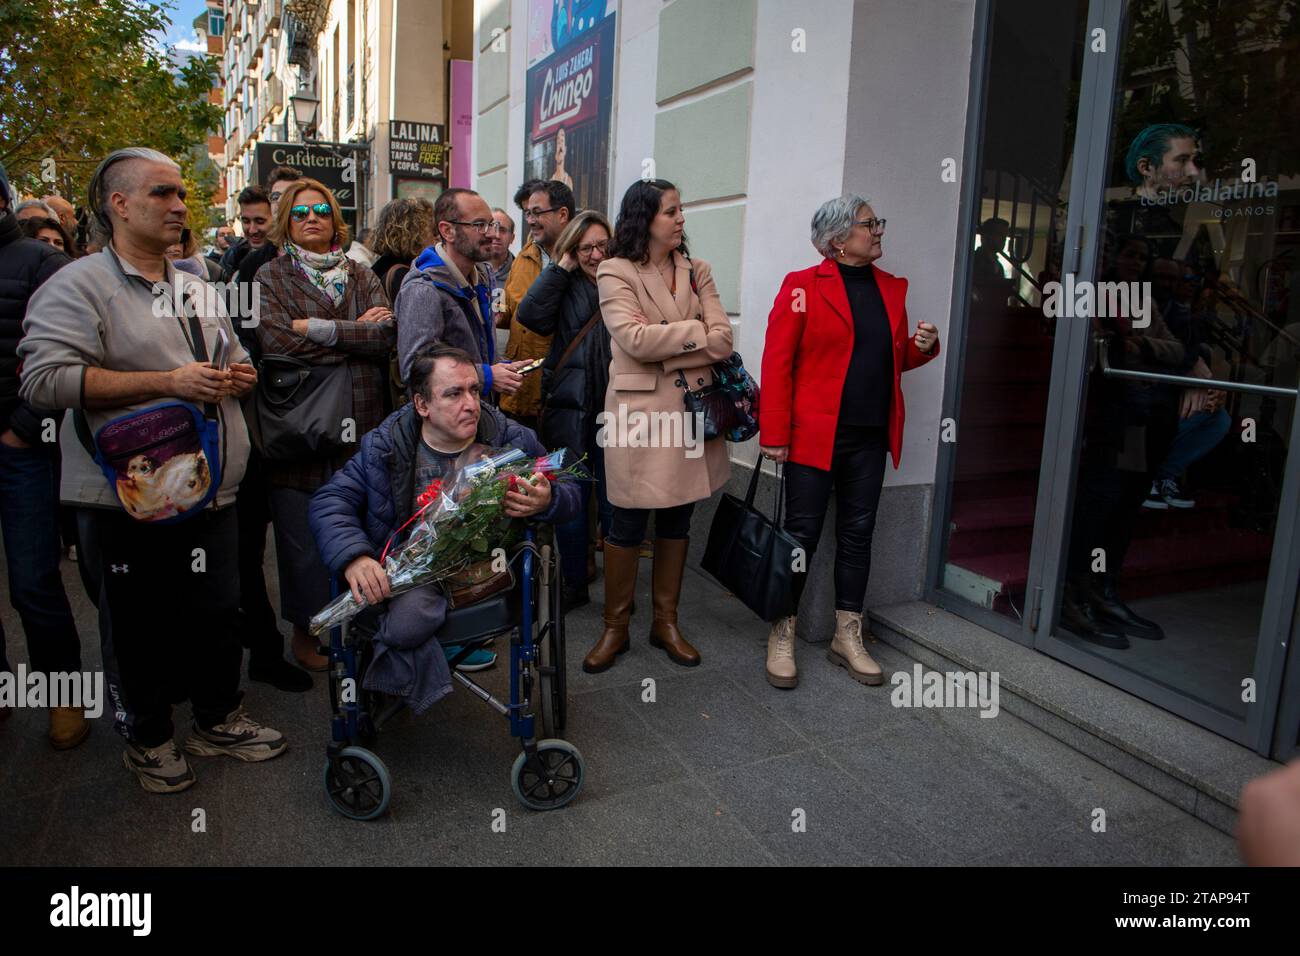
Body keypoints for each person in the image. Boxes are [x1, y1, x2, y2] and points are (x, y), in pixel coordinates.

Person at [19, 147, 286, 791]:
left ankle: (217, 719)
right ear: (120, 204)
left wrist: (235, 375)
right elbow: (43, 381)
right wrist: (168, 382)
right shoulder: (78, 284)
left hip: (213, 488)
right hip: (129, 499)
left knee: (216, 611)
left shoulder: (196, 283)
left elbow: (221, 359)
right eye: (163, 193)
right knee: (139, 624)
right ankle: (148, 737)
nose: (179, 205)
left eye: (181, 195)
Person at [309, 345, 582, 707]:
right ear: (422, 405)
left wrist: (548, 500)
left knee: (406, 623)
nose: (470, 404)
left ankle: (389, 670)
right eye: (453, 393)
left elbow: (569, 488)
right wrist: (355, 557)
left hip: (492, 571)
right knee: (408, 618)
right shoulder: (386, 446)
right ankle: (403, 669)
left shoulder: (509, 438)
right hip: (415, 573)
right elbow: (330, 501)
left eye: (474, 390)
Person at [759, 194, 940, 689]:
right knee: (801, 537)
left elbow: (888, 359)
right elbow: (777, 362)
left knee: (859, 537)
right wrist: (774, 433)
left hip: (869, 436)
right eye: (869, 224)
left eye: (877, 222)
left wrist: (921, 349)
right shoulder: (802, 287)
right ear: (838, 241)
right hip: (814, 437)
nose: (879, 230)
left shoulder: (889, 288)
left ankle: (847, 635)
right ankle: (783, 632)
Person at [583, 178, 733, 673]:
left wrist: (671, 339)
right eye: (672, 211)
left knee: (677, 518)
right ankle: (615, 627)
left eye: (680, 209)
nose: (681, 218)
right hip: (638, 417)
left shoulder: (699, 270)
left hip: (690, 413)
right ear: (645, 218)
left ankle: (665, 622)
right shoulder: (614, 269)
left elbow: (724, 341)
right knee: (624, 520)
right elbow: (632, 338)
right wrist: (694, 335)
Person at [254, 177, 395, 672]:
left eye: (320, 210)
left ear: (335, 219)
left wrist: (317, 330)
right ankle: (308, 629)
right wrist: (356, 333)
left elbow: (385, 338)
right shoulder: (270, 277)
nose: (311, 217)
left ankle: (362, 621)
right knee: (301, 535)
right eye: (299, 212)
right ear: (285, 224)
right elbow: (275, 342)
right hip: (303, 425)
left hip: (365, 416)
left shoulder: (360, 272)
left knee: (363, 521)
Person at [0, 163, 87, 745]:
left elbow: (73, 349)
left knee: (33, 579)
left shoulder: (39, 261)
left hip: (21, 449)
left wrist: (24, 428)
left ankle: (63, 696)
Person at [515, 210, 613, 610]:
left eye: (602, 245)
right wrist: (561, 267)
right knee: (572, 497)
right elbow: (530, 316)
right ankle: (574, 582)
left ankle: (617, 595)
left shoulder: (625, 279)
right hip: (569, 409)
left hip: (618, 408)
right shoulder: (565, 281)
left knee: (614, 499)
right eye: (585, 247)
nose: (594, 255)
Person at [394, 188, 529, 399]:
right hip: (445, 423)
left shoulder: (481, 276)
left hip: (476, 414)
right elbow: (414, 370)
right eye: (479, 225)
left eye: (491, 224)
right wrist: (487, 375)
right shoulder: (423, 289)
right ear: (447, 231)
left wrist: (500, 367)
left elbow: (471, 351)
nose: (492, 234)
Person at [499, 179, 575, 431]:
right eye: (527, 213)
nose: (530, 221)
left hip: (563, 395)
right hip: (518, 393)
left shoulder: (582, 258)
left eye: (537, 213)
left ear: (562, 214)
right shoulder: (523, 257)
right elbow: (508, 311)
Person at [221, 165, 301, 279]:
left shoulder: (323, 252)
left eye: (260, 221)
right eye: (246, 221)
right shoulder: (245, 263)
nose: (252, 230)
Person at [368, 197, 436, 298]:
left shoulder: (377, 269)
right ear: (415, 233)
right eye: (432, 230)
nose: (435, 237)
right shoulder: (403, 275)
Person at [487, 206, 517, 293]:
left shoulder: (521, 273)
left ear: (512, 238)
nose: (497, 236)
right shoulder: (470, 271)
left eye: (502, 230)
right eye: (492, 228)